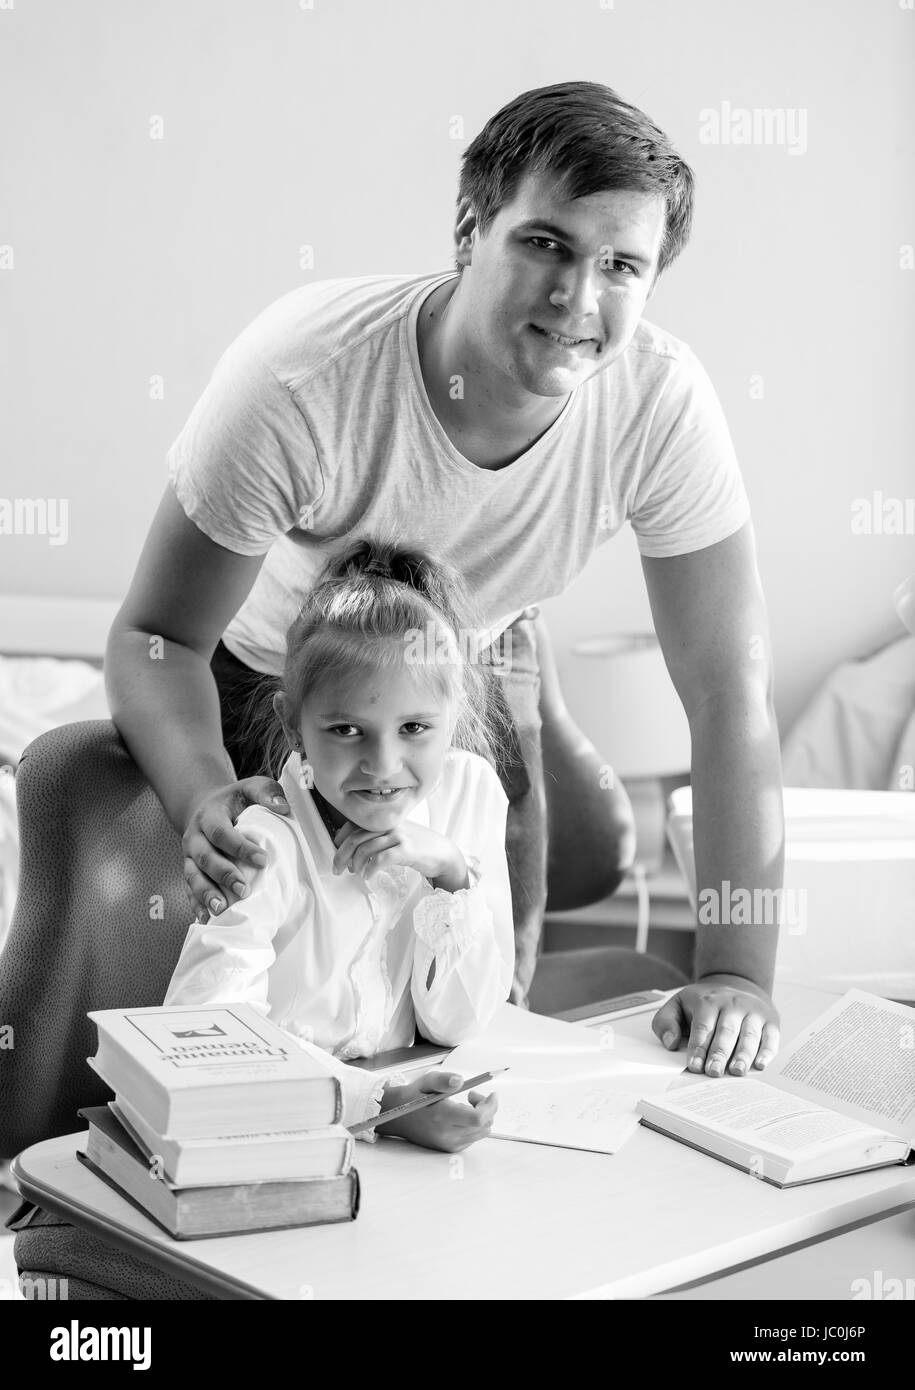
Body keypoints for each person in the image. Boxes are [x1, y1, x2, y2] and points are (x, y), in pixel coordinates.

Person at [107, 79, 784, 1078]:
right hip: (285, 679)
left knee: (467, 1019)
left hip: (478, 660)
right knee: (300, 1002)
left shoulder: (660, 406)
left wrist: (737, 975)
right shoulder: (304, 378)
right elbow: (156, 638)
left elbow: (731, 696)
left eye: (621, 266)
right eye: (546, 244)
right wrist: (207, 795)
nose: (577, 299)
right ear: (471, 229)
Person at [164, 538, 514, 1152]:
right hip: (280, 1146)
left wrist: (451, 874)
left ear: (453, 717)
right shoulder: (266, 842)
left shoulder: (467, 796)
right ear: (293, 723)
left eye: (414, 729)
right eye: (346, 730)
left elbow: (459, 1022)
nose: (383, 766)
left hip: (406, 1156)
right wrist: (379, 1105)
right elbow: (203, 1040)